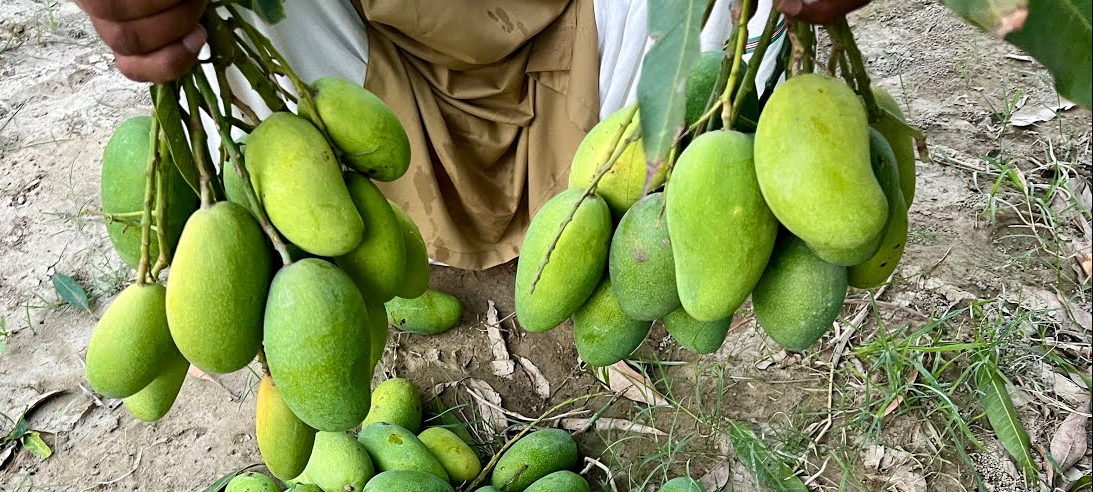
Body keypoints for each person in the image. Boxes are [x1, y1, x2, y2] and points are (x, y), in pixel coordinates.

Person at [75, 0, 806, 269]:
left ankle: (643, 215)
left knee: (746, 15)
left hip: (590, 44)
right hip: (370, 56)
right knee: (218, 21)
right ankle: (313, 227)